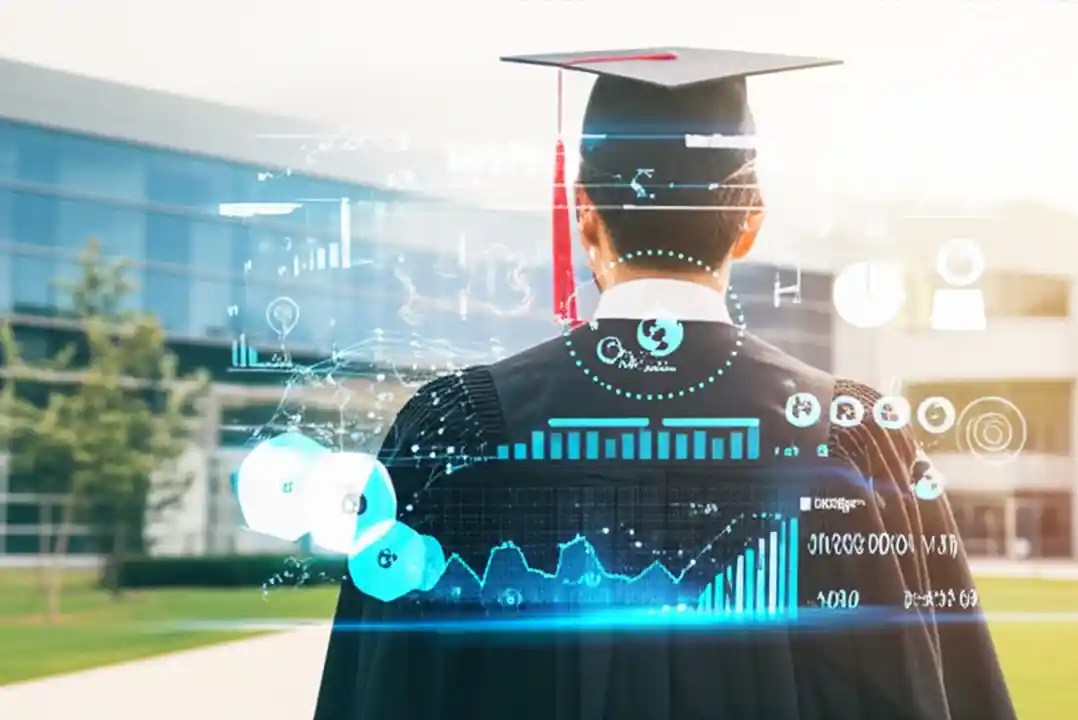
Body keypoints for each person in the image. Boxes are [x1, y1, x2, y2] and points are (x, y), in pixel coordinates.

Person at [314, 47, 1016, 720]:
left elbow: (376, 694)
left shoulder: (453, 433)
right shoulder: (854, 440)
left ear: (584, 214)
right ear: (750, 222)